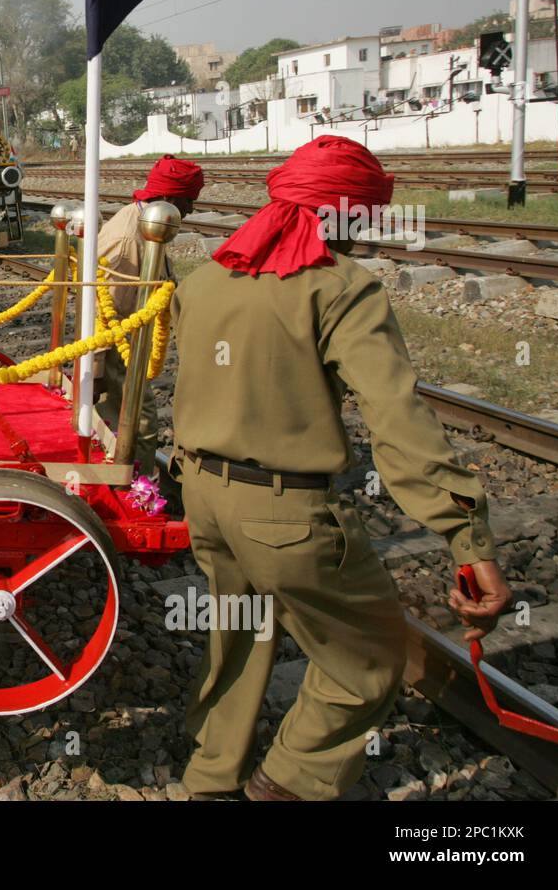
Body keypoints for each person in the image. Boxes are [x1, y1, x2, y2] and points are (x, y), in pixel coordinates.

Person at [170, 136, 511, 801]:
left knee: (239, 635)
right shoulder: (343, 288)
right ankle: (290, 784)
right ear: (343, 215)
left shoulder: (206, 277)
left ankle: (210, 778)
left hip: (204, 497)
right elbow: (399, 421)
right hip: (284, 511)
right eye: (367, 215)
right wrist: (468, 537)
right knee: (370, 659)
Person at [95, 154, 204, 475]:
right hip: (118, 350)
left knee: (129, 421)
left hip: (129, 344)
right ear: (168, 199)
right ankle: (138, 495)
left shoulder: (145, 223)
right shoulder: (128, 239)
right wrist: (96, 369)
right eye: (187, 201)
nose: (191, 210)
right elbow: (102, 308)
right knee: (139, 424)